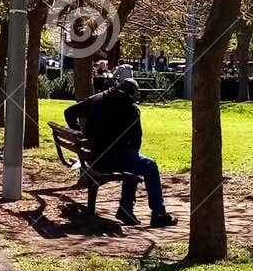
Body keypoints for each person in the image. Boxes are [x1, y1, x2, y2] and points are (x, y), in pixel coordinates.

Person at [64, 77, 176, 228]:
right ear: (132, 94)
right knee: (148, 165)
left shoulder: (97, 98)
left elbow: (69, 112)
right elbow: (136, 142)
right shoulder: (130, 108)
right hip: (111, 159)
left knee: (132, 161)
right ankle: (157, 213)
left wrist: (79, 132)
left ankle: (126, 209)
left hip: (93, 156)